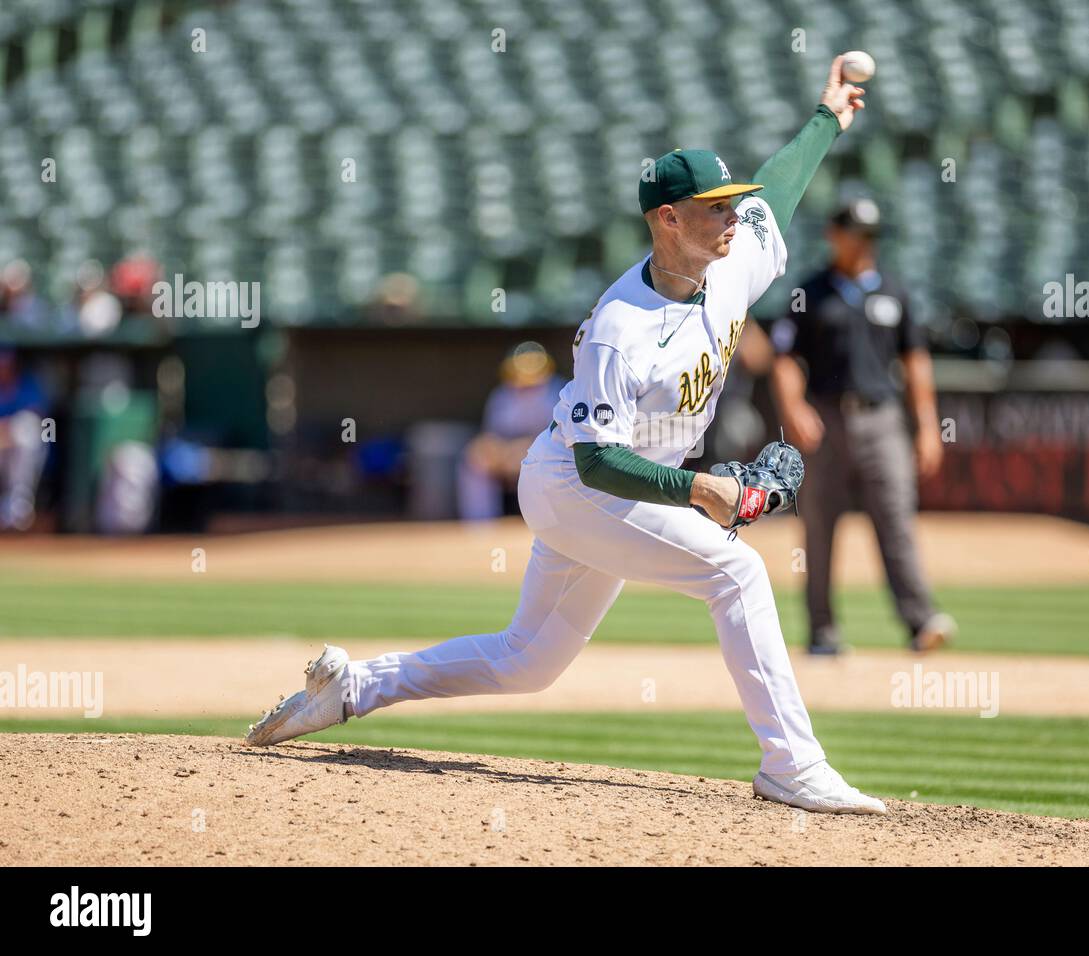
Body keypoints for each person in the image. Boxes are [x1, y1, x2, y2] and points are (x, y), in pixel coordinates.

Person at [247, 57, 889, 815]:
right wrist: (700, 489)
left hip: (618, 482)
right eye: (714, 206)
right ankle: (792, 765)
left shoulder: (731, 256)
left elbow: (776, 192)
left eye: (729, 205)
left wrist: (825, 116)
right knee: (737, 574)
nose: (731, 217)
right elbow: (596, 461)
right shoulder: (621, 329)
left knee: (528, 661)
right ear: (667, 218)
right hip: (578, 484)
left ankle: (352, 688)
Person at [769, 197, 956, 655]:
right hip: (826, 419)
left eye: (870, 234)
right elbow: (785, 357)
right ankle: (822, 632)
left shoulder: (893, 290)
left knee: (896, 519)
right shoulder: (810, 291)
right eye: (855, 232)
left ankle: (919, 619)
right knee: (819, 526)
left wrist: (928, 426)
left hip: (882, 417)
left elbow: (915, 361)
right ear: (834, 234)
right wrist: (793, 408)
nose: (863, 243)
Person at [457, 342, 565, 520]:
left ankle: (547, 522)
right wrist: (498, 451)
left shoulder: (559, 392)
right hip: (512, 453)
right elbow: (493, 436)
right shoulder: (502, 396)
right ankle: (480, 523)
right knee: (476, 458)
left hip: (549, 452)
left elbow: (562, 436)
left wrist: (528, 447)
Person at [0, 346, 49, 531]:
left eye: (6, 363)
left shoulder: (28, 386)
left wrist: (6, 432)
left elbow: (41, 423)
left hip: (27, 453)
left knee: (26, 430)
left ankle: (17, 512)